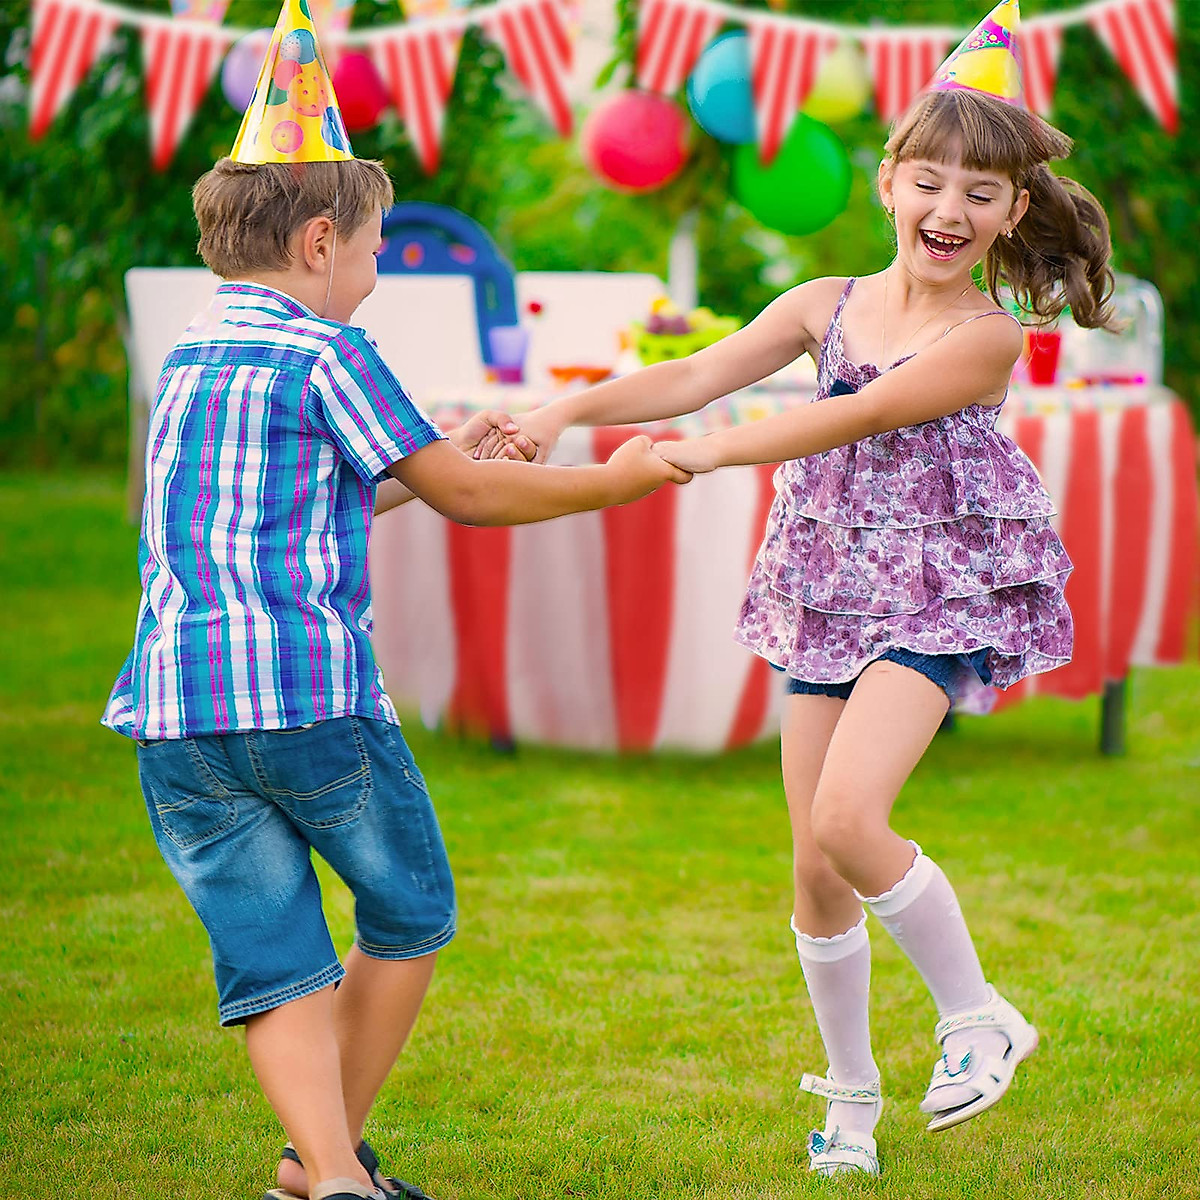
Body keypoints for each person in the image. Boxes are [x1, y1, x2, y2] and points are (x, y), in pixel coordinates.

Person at [478, 0, 1115, 1177]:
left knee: (846, 819)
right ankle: (854, 1099)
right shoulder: (822, 303)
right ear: (886, 183)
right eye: (930, 180)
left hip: (935, 592)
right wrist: (562, 411)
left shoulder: (985, 334)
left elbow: (856, 412)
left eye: (982, 193)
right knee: (813, 866)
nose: (950, 210)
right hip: (829, 591)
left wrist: (717, 451)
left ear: (1016, 212)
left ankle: (979, 1018)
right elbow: (693, 372)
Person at [101, 6, 689, 1200]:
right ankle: (326, 1174)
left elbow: (283, 508)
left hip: (177, 720)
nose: (376, 271)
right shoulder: (328, 347)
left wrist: (427, 458)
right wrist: (613, 482)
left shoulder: (195, 357)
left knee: (273, 961)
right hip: (308, 700)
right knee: (410, 910)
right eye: (374, 250)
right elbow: (469, 499)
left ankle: (324, 1179)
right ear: (321, 240)